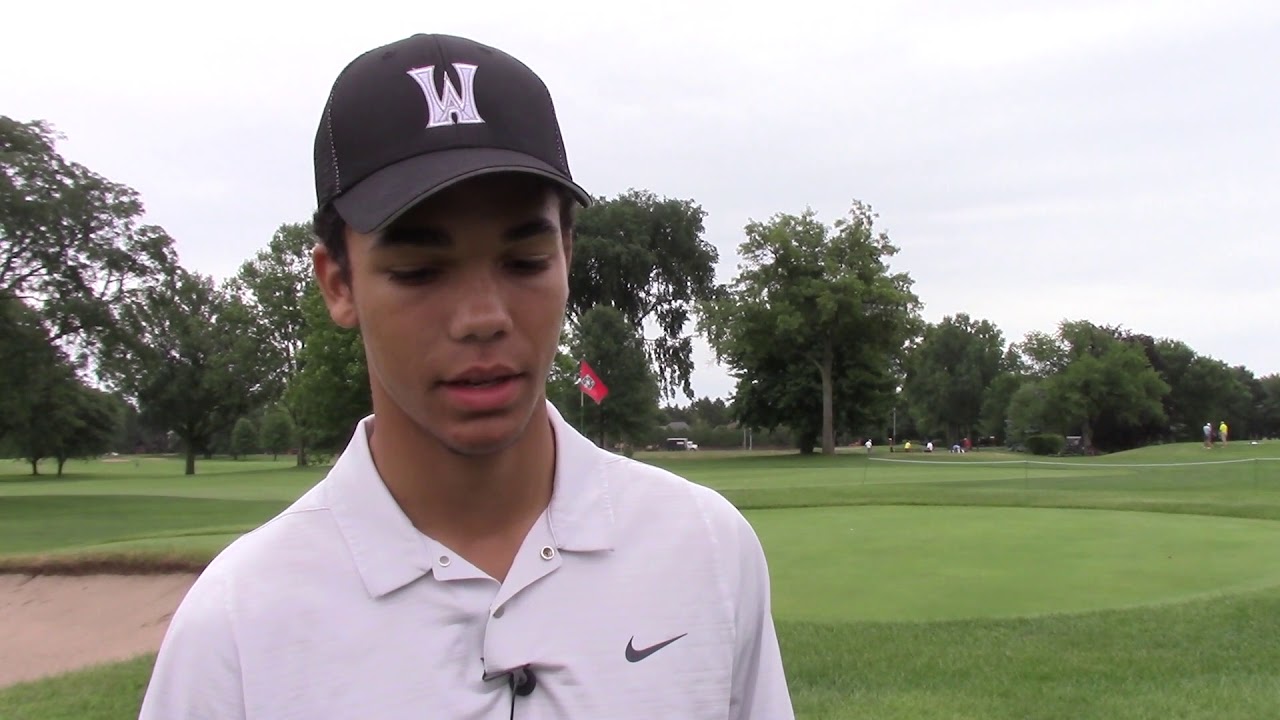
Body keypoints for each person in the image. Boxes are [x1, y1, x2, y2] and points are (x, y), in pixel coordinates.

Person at [137, 33, 793, 719]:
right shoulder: (237, 626)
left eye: (525, 262)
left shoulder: (707, 552)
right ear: (339, 283)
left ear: (567, 255)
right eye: (420, 271)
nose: (483, 318)